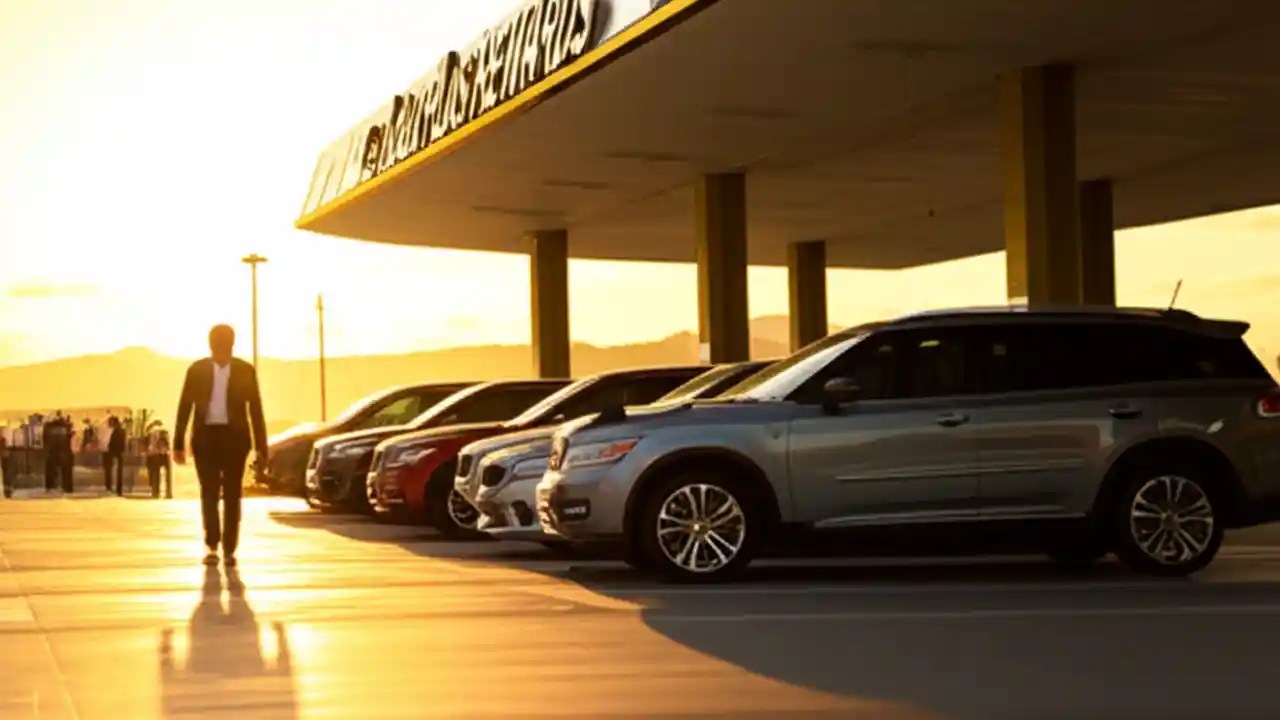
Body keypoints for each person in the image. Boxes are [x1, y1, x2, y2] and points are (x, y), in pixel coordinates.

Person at [175, 324, 268, 567]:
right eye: (216, 346)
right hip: (205, 439)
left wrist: (261, 446)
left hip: (235, 439)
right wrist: (178, 443)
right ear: (210, 345)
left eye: (224, 346)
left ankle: (229, 548)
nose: (220, 350)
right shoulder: (196, 370)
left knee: (233, 494)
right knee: (209, 492)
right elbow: (185, 405)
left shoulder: (244, 371)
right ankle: (212, 545)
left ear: (232, 345)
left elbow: (255, 409)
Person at [148, 425, 173, 499]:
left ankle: (155, 493)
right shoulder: (165, 432)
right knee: (168, 475)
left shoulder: (152, 432)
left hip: (155, 454)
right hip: (165, 454)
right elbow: (168, 444)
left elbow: (151, 445)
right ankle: (168, 492)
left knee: (155, 474)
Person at [105, 416, 126, 495]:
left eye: (110, 422)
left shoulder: (118, 431)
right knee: (118, 471)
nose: (109, 424)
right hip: (118, 452)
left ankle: (114, 488)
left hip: (116, 452)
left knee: (116, 471)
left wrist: (110, 449)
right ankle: (117, 489)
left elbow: (115, 443)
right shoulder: (120, 430)